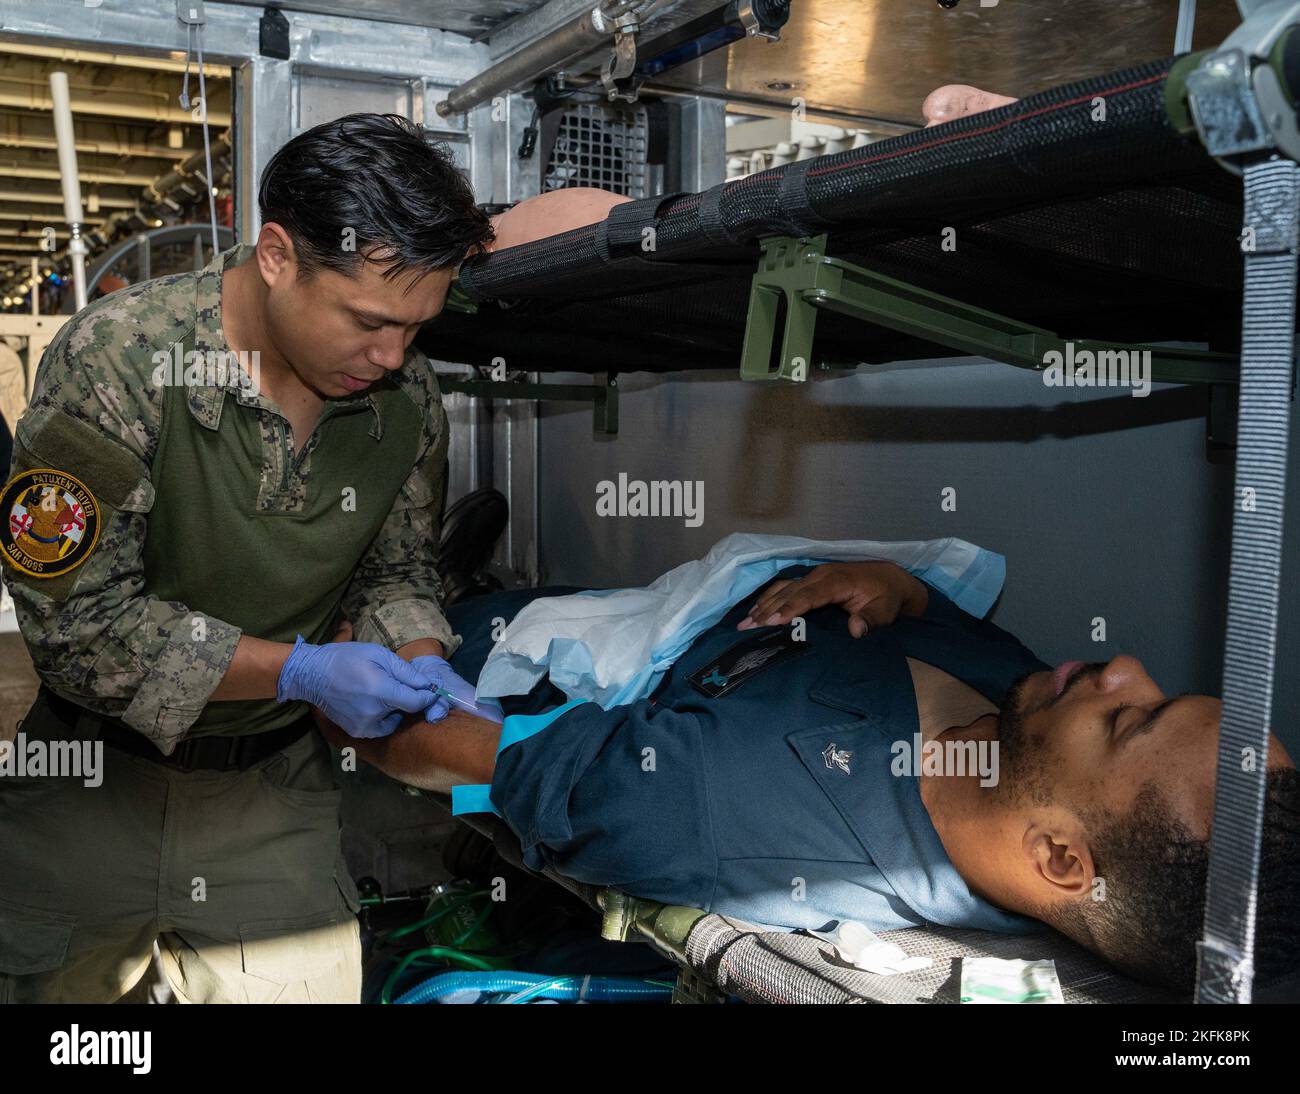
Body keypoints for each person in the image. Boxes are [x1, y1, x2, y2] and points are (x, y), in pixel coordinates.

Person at [0, 113, 505, 1004]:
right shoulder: (116, 360)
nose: (392, 357)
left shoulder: (404, 405)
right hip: (83, 790)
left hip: (275, 801)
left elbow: (395, 569)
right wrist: (304, 671)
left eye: (417, 330)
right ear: (276, 256)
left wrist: (422, 665)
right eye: (368, 321)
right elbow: (77, 630)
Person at [318, 561, 1300, 994]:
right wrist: (896, 585)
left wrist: (323, 671)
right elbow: (934, 622)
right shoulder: (1028, 722)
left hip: (512, 646)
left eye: (1127, 716)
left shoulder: (719, 809)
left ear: (1056, 855)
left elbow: (447, 746)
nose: (1121, 666)